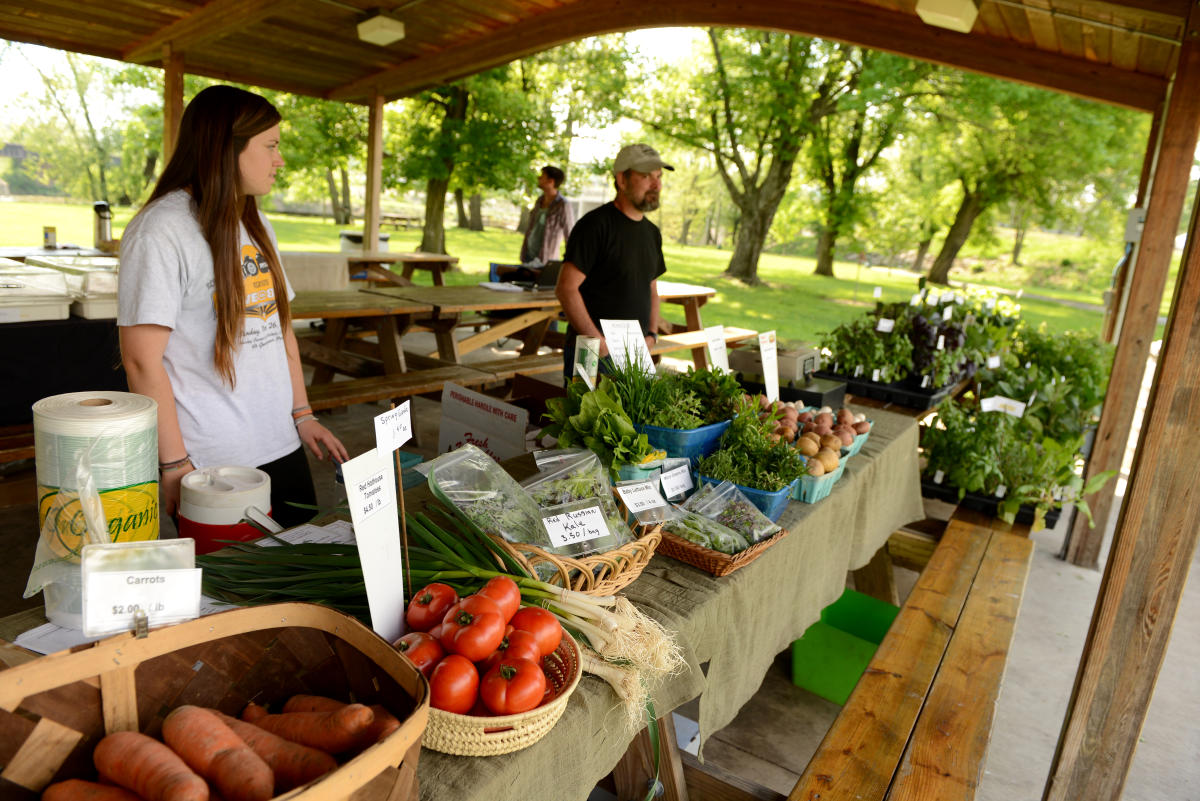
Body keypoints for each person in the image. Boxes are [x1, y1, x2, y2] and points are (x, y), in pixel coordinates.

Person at [118, 85, 348, 529]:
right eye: (272, 145)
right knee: (238, 596)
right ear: (228, 148)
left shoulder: (255, 220)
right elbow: (140, 361)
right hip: (211, 465)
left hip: (282, 443)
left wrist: (303, 414)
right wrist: (174, 465)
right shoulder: (161, 230)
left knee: (301, 575)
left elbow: (280, 328)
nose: (280, 160)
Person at [555, 144, 673, 381]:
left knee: (632, 417)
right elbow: (566, 289)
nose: (656, 185)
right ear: (622, 179)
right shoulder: (594, 226)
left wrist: (651, 335)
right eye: (646, 176)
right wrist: (598, 342)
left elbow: (651, 289)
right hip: (590, 351)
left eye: (659, 177)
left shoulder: (652, 233)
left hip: (635, 352)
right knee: (581, 417)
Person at [519, 165, 574, 266]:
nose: (539, 178)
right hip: (528, 257)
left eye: (542, 176)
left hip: (545, 260)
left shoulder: (563, 205)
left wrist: (570, 261)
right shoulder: (539, 201)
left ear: (551, 181)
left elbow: (569, 234)